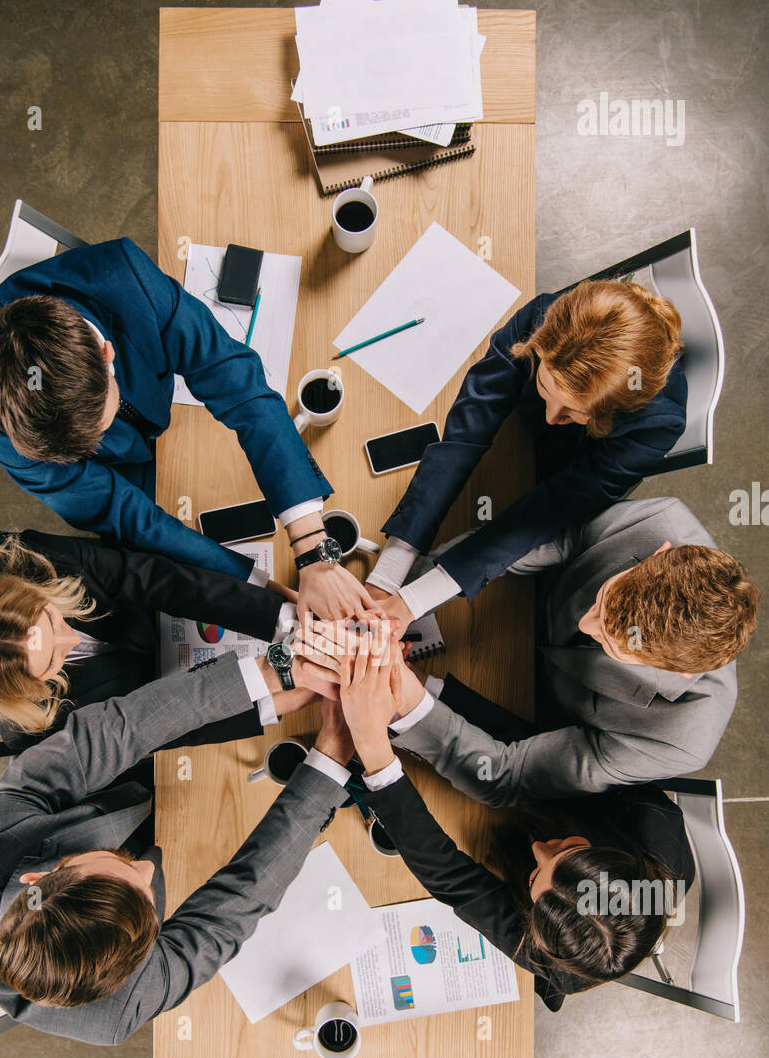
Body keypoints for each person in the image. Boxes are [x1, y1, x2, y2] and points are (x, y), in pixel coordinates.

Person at [0, 658, 359, 1046]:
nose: (145, 868)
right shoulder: (120, 1009)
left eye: (122, 871)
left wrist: (275, 672)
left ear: (38, 878)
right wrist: (331, 757)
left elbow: (115, 733)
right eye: (145, 894)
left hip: (111, 788)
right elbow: (236, 905)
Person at [0, 236, 378, 622]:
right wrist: (256, 587)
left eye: (100, 424)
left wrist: (313, 553)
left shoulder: (127, 281)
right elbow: (125, 514)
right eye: (90, 443)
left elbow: (241, 389)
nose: (102, 439)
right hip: (111, 479)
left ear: (108, 353)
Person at [334, 625, 695, 1011]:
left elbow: (452, 878)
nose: (538, 847)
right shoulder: (651, 819)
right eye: (562, 851)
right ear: (612, 854)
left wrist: (372, 746)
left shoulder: (552, 959)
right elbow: (539, 761)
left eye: (535, 879)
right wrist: (424, 693)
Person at [307, 498, 759, 801]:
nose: (586, 623)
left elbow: (509, 775)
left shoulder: (680, 740)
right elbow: (541, 537)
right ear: (660, 552)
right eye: (605, 600)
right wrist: (416, 597)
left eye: (612, 643)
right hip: (510, 600)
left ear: (676, 674)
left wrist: (407, 701)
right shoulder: (661, 520)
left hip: (525, 709)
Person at [364, 280, 688, 633]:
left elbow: (549, 509)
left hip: (574, 475)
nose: (552, 417)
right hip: (516, 445)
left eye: (574, 412)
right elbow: (466, 433)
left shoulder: (659, 423)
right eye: (546, 388)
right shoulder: (543, 319)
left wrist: (415, 600)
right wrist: (390, 569)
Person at [0, 530, 315, 754]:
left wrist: (279, 617)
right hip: (179, 694)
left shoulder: (36, 560)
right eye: (53, 661)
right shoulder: (30, 735)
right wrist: (269, 705)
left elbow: (155, 578)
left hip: (172, 613)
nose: (70, 639)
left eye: (52, 618)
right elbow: (157, 731)